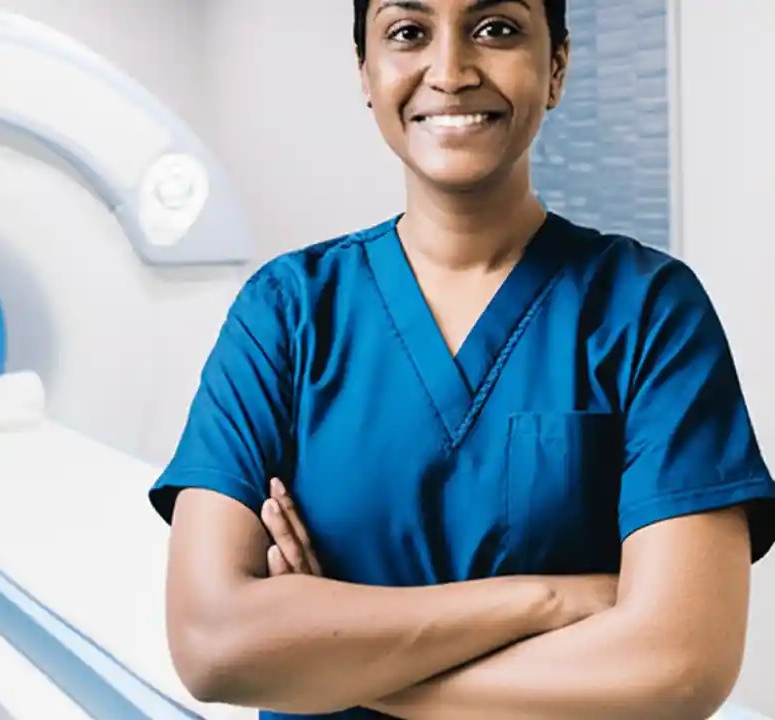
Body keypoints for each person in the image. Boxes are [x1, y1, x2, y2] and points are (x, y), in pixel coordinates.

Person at [147, 1, 775, 718]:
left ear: (557, 65)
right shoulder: (286, 312)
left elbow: (678, 668)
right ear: (366, 71)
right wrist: (549, 598)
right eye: (408, 33)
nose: (450, 72)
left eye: (497, 29)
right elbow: (211, 644)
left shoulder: (649, 310)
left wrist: (326, 660)